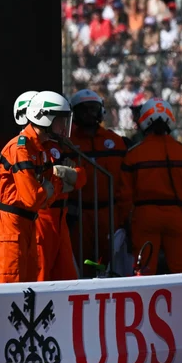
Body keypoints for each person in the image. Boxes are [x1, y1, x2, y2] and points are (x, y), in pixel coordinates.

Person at [0, 91, 73, 283]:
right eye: (60, 120)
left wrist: (47, 189)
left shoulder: (39, 149)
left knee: (30, 289)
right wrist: (49, 188)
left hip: (28, 224)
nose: (63, 127)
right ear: (45, 118)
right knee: (12, 291)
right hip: (11, 226)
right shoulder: (20, 149)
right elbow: (32, 198)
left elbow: (47, 196)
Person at [122, 98, 182, 275]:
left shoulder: (133, 154)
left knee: (143, 271)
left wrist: (126, 223)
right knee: (181, 270)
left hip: (145, 217)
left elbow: (125, 196)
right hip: (178, 216)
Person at [68, 89, 130, 267]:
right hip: (79, 214)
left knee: (111, 262)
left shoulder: (115, 141)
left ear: (101, 111)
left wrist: (124, 215)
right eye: (83, 110)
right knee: (80, 262)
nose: (89, 114)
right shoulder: (67, 142)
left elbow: (125, 181)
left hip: (109, 213)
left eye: (93, 109)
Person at [35, 92, 87, 281]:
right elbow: (40, 181)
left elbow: (81, 177)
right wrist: (62, 178)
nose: (64, 126)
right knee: (40, 275)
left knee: (69, 277)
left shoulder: (65, 146)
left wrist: (64, 175)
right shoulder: (36, 147)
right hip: (41, 218)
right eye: (59, 121)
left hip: (61, 219)